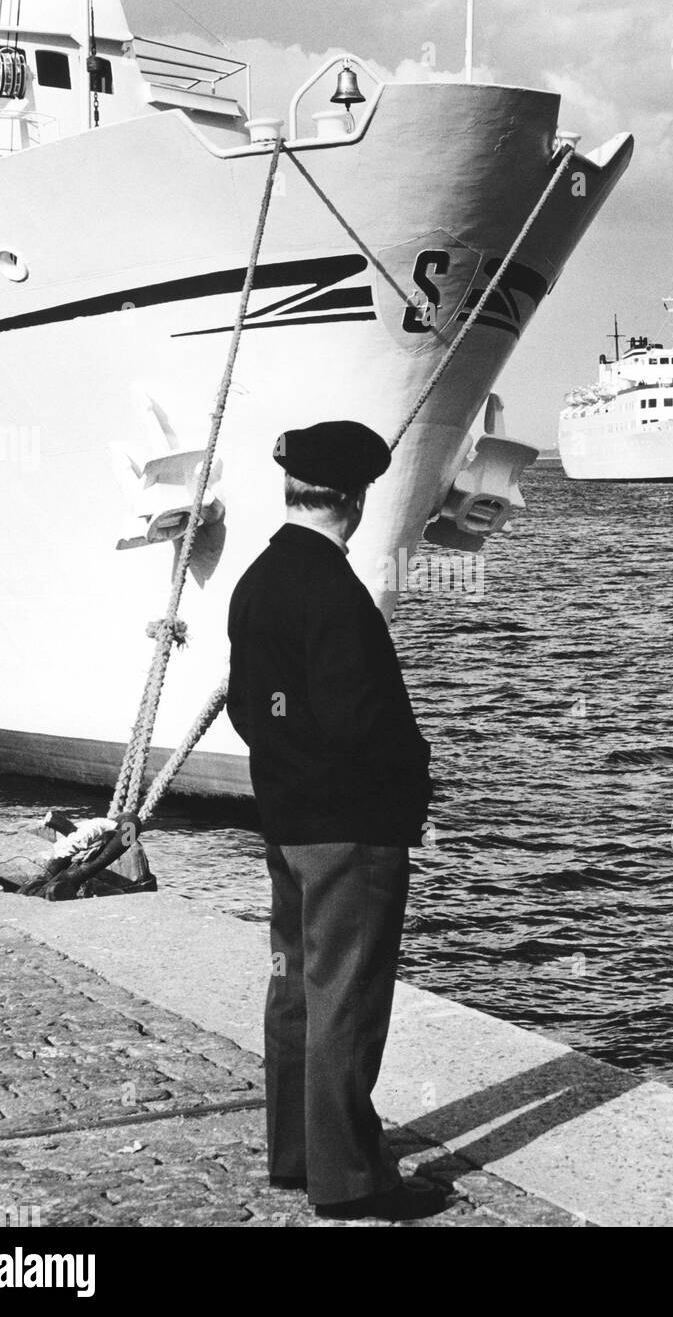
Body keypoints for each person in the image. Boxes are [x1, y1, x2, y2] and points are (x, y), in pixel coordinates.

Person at [226, 420, 445, 1221]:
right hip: (350, 828)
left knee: (294, 990)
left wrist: (292, 773)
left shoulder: (257, 579)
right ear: (352, 499)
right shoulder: (334, 590)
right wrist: (410, 796)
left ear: (295, 490)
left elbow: (251, 710)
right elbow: (362, 725)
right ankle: (352, 1178)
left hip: (286, 818)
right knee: (345, 999)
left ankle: (295, 1152)